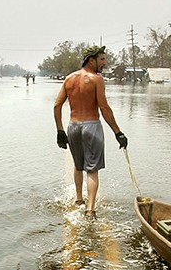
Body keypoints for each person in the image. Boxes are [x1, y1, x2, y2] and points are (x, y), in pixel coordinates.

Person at [53, 45, 127, 218]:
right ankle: (90, 209)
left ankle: (79, 200)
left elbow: (57, 106)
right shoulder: (96, 79)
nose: (104, 63)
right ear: (91, 60)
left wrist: (60, 131)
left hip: (73, 126)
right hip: (91, 126)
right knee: (92, 170)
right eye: (102, 59)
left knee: (78, 166)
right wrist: (118, 133)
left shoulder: (69, 79)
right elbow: (104, 109)